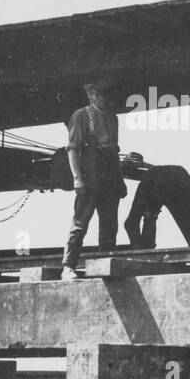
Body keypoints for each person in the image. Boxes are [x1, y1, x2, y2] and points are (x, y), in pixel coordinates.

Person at [61, 78, 127, 279]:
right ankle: (68, 267)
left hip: (110, 175)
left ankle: (103, 266)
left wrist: (120, 179)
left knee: (109, 224)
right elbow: (72, 149)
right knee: (80, 222)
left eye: (111, 96)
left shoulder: (113, 118)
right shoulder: (81, 116)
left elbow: (114, 151)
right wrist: (77, 178)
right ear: (94, 95)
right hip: (90, 176)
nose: (109, 100)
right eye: (105, 96)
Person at [122, 155, 190, 248]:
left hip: (174, 188)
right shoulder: (146, 189)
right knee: (150, 219)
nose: (163, 200)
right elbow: (130, 223)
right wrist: (137, 245)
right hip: (159, 187)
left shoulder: (179, 180)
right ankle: (145, 246)